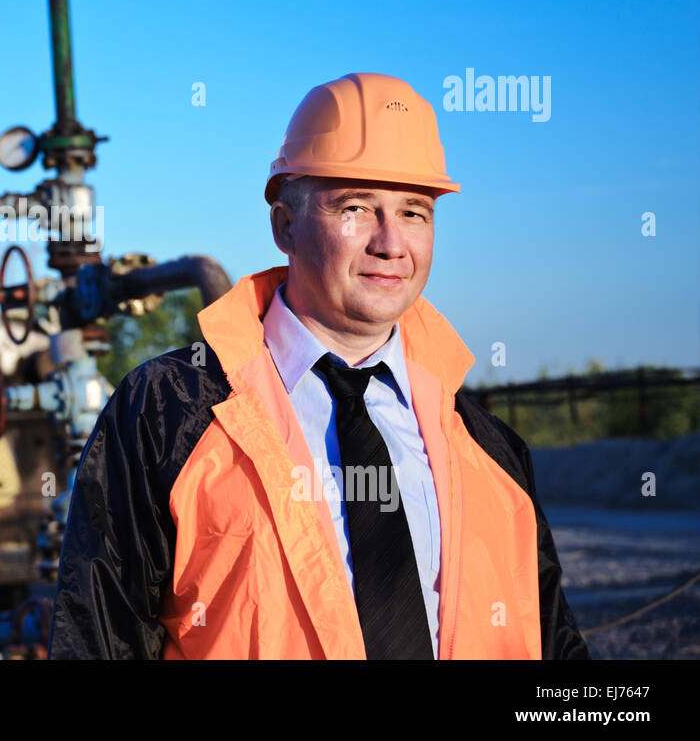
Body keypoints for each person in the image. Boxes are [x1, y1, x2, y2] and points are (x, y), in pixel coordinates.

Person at [48, 72, 590, 660]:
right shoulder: (166, 413)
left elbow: (555, 645)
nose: (391, 243)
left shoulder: (488, 449)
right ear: (285, 226)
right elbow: (100, 638)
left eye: (414, 213)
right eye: (355, 208)